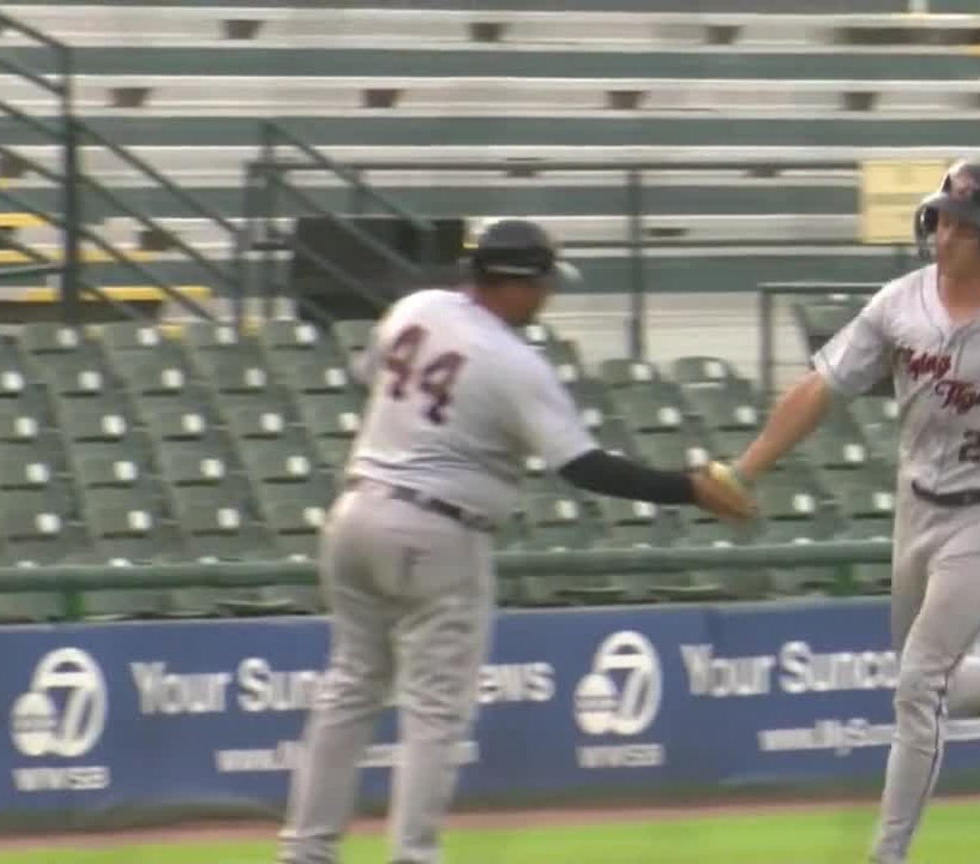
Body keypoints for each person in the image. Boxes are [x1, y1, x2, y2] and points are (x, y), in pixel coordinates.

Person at [275, 218, 757, 864]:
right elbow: (582, 466)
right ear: (519, 282)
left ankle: (305, 851)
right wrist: (688, 487)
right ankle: (412, 855)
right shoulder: (511, 360)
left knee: (348, 690)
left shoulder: (416, 307)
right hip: (436, 529)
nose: (548, 296)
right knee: (434, 713)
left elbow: (382, 384)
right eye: (545, 283)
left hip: (356, 509)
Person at [714, 158, 980, 862]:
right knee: (925, 677)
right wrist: (746, 467)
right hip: (916, 506)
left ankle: (887, 854)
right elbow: (821, 388)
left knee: (917, 685)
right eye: (942, 217)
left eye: (962, 225)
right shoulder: (898, 303)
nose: (943, 233)